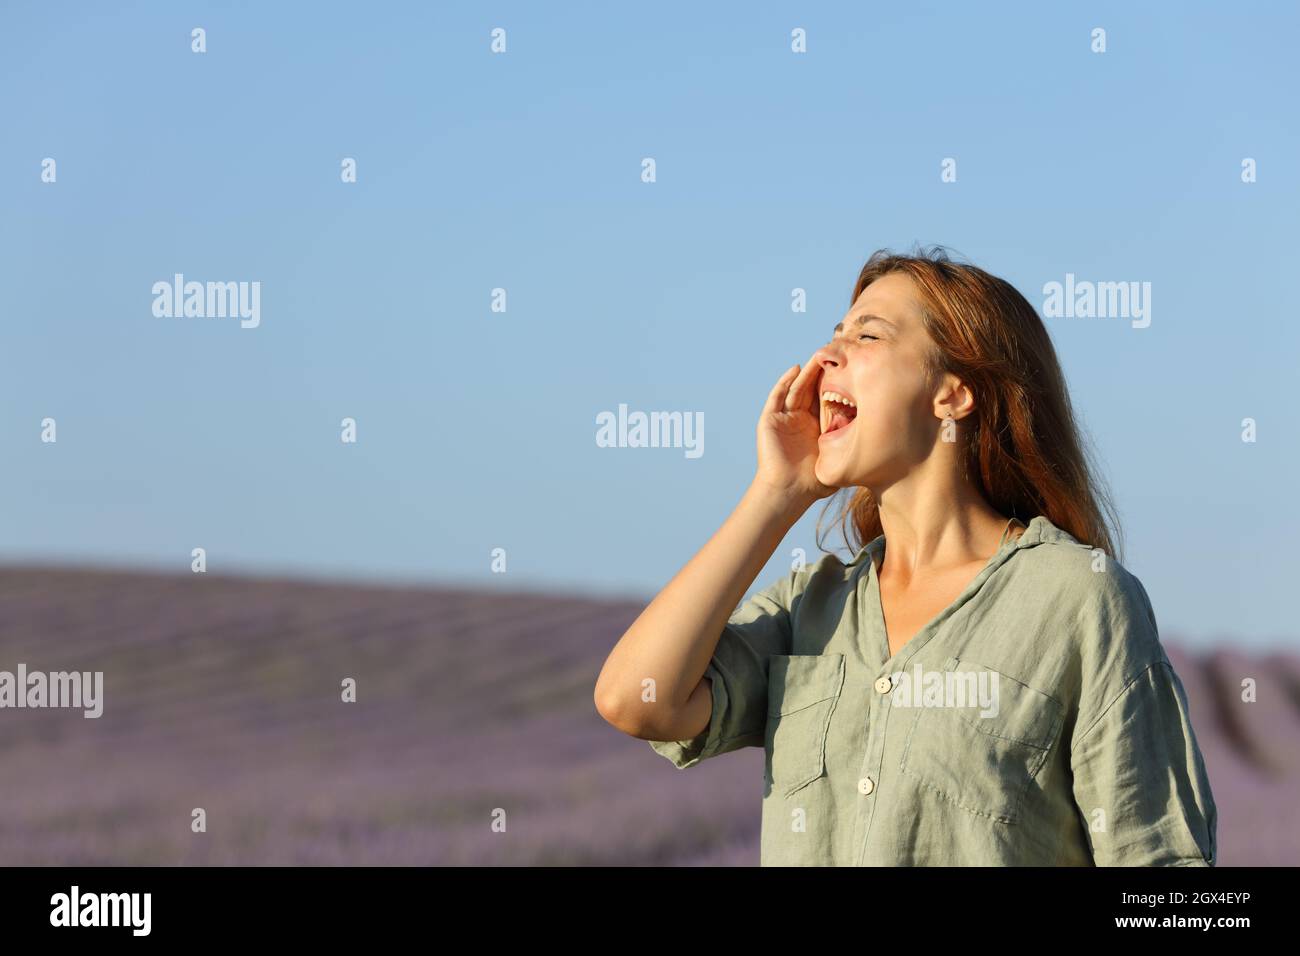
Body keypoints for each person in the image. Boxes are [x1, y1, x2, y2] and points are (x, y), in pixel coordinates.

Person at [593, 245, 1217, 866]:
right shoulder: (810, 608)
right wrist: (775, 495)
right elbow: (636, 700)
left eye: (867, 335)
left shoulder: (1077, 598)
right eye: (834, 334)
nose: (825, 356)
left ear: (953, 394)